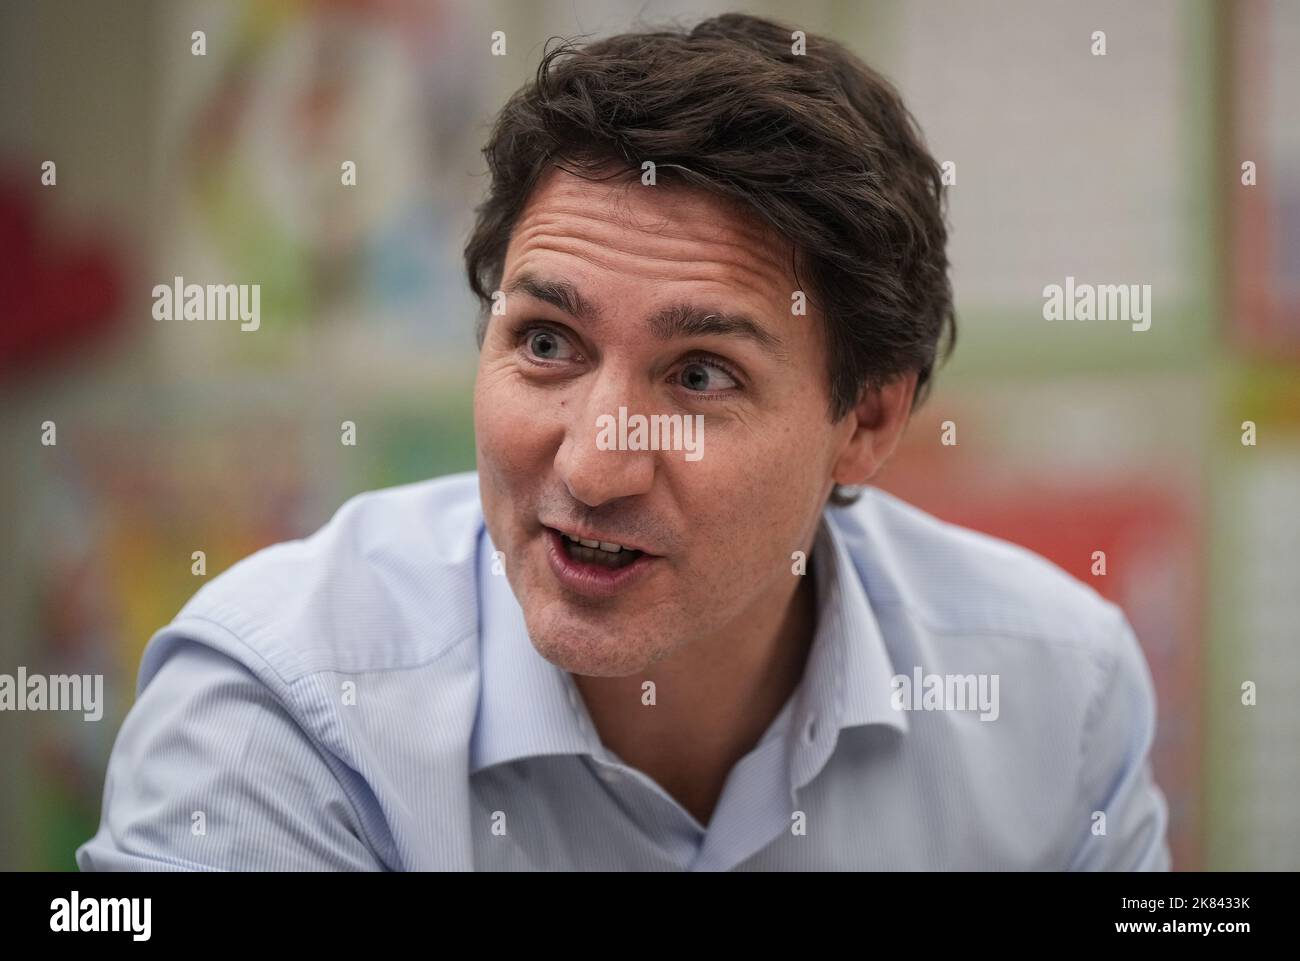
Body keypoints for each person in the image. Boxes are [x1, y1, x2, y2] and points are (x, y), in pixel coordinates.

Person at [77, 12, 1169, 871]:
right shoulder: (279, 711)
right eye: (546, 342)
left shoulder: (1053, 694)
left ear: (866, 421)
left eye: (700, 376)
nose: (593, 465)